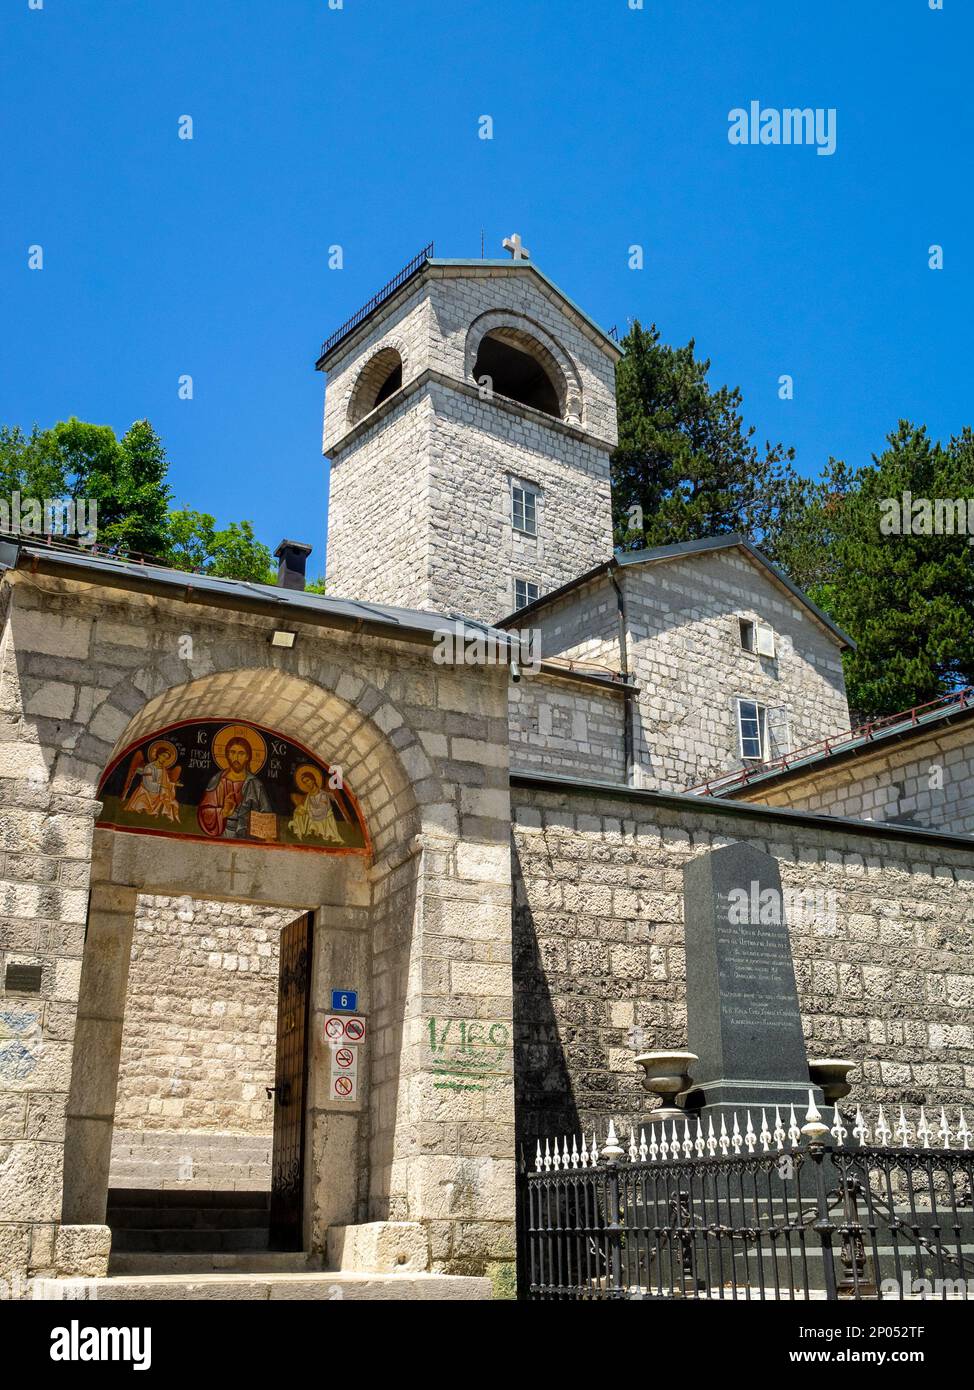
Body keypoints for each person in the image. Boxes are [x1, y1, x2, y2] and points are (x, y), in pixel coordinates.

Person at [198, 734, 273, 839]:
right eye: (233, 752)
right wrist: (224, 811)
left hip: (247, 838)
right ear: (228, 755)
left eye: (241, 753)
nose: (236, 758)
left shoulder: (255, 784)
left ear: (247, 757)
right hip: (223, 834)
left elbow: (267, 816)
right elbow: (204, 811)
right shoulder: (218, 780)